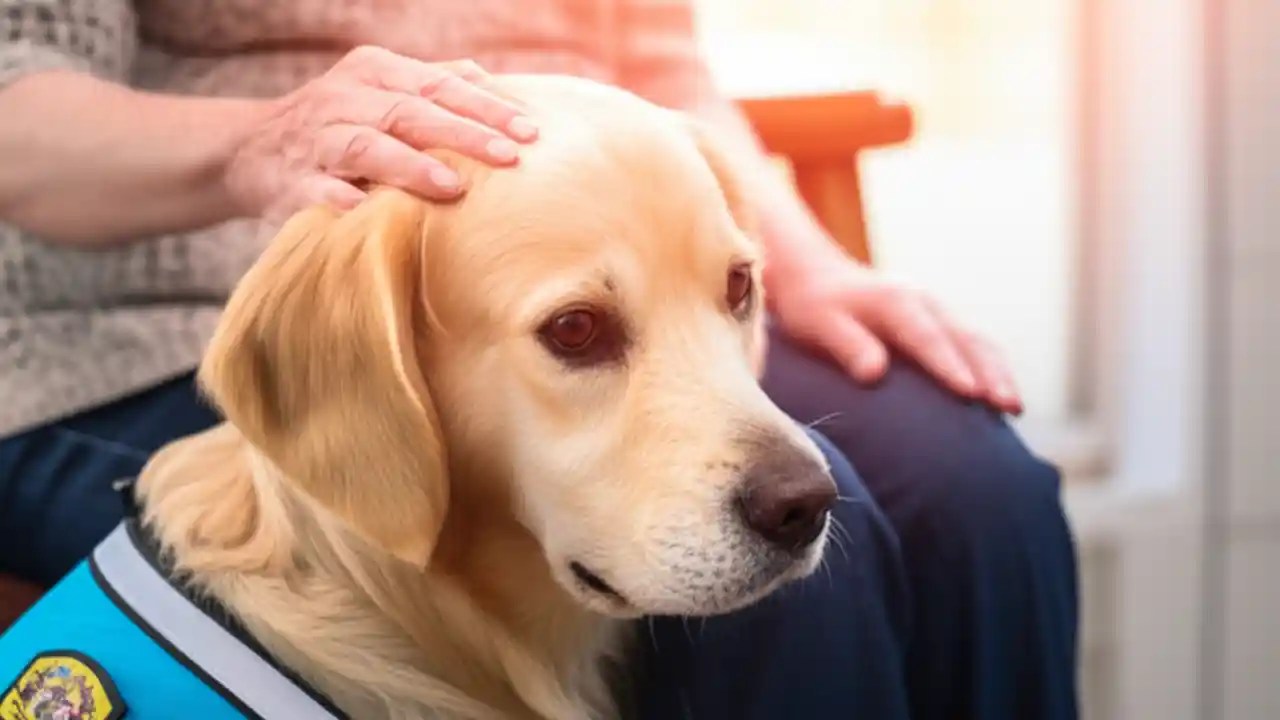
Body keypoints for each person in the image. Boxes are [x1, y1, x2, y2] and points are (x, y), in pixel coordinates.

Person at [0, 2, 1077, 719]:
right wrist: (257, 144)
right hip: (154, 327)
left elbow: (661, 68)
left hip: (621, 256)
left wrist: (792, 266)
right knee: (777, 584)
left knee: (978, 493)